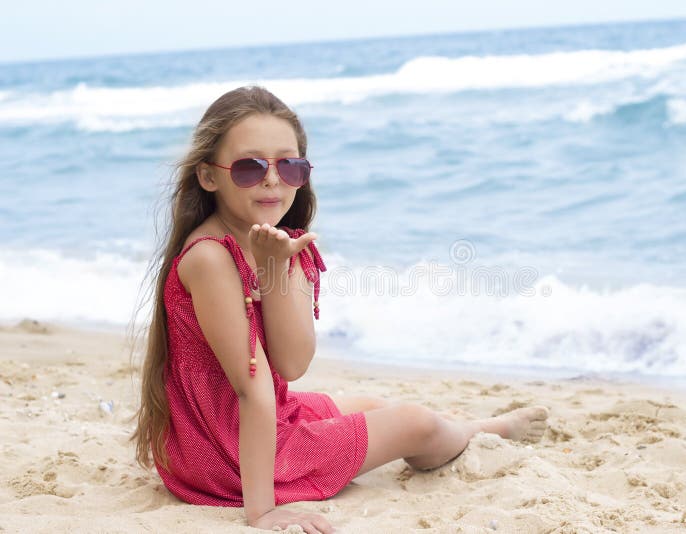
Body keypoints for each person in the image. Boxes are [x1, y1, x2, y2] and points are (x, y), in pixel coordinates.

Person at [129, 85, 550, 533]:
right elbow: (253, 389)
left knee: (372, 404)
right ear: (209, 176)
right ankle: (482, 430)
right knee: (414, 422)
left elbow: (291, 364)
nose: (273, 179)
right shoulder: (210, 259)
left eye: (289, 165)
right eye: (250, 167)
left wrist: (275, 270)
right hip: (226, 455)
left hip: (242, 427)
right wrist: (263, 511)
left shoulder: (279, 245)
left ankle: (461, 427)